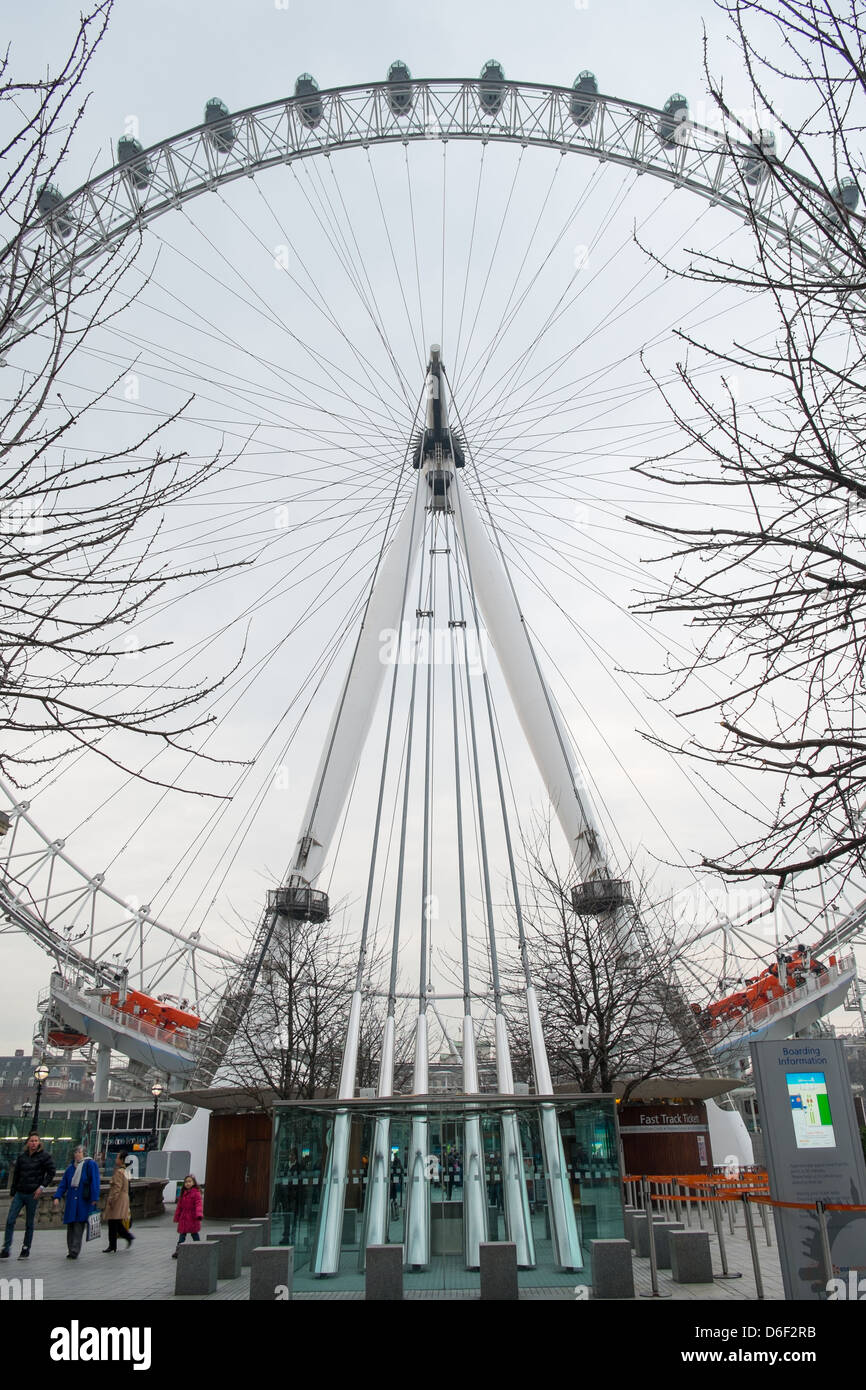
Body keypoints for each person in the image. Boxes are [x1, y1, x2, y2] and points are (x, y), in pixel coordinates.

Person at [1, 1132, 55, 1259]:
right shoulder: (22, 1157)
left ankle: (26, 1248)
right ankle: (6, 1248)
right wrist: (13, 1193)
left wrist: (41, 1187)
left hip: (33, 1194)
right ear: (28, 1143)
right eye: (31, 1141)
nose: (34, 1143)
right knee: (10, 1220)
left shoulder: (44, 1156)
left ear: (39, 1142)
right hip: (20, 1192)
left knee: (29, 1223)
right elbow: (16, 1175)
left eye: (36, 1141)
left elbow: (51, 1172)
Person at [53, 1144, 100, 1259]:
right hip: (71, 1202)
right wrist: (57, 1196)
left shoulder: (90, 1165)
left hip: (83, 1202)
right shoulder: (70, 1168)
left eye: (79, 1152)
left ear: (84, 1153)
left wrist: (94, 1198)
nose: (77, 1154)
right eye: (76, 1152)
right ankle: (71, 1249)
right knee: (71, 1226)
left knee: (79, 1226)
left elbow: (95, 1182)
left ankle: (75, 1250)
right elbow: (63, 1184)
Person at [102, 1152, 135, 1253]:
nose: (116, 1159)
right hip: (124, 1198)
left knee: (112, 1222)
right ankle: (126, 1238)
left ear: (121, 1160)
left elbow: (117, 1187)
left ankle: (113, 1245)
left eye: (117, 1157)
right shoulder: (126, 1171)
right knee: (116, 1222)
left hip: (118, 1200)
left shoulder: (119, 1172)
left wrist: (112, 1200)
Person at [172, 1174, 202, 1257]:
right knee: (182, 1235)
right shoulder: (183, 1194)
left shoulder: (196, 1193)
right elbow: (179, 1207)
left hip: (192, 1218)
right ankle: (179, 1251)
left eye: (189, 1181)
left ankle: (200, 1249)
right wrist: (177, 1217)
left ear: (193, 1183)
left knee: (195, 1234)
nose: (187, 1183)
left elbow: (199, 1204)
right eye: (186, 1182)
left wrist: (199, 1214)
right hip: (184, 1218)